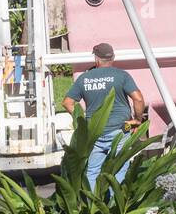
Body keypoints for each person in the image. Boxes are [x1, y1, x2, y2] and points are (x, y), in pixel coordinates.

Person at [62, 43, 146, 188]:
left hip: (94, 133)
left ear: (96, 59)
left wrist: (82, 121)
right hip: (121, 130)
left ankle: (93, 206)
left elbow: (67, 102)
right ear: (113, 57)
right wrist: (137, 120)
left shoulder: (84, 78)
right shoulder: (122, 75)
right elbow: (138, 99)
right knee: (119, 169)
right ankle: (115, 206)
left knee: (92, 171)